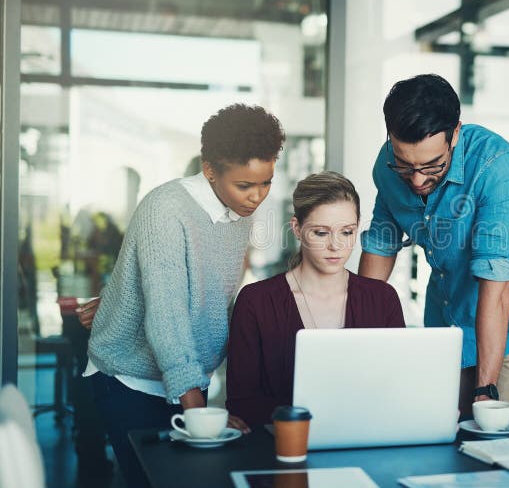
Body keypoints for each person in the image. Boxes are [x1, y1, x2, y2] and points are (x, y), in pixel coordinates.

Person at [83, 104, 285, 487]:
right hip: (131, 380)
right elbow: (167, 316)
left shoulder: (238, 212)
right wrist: (201, 418)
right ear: (209, 169)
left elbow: (211, 295)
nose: (257, 197)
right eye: (245, 185)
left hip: (190, 378)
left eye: (266, 182)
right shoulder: (165, 209)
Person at [358, 74, 509, 425]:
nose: (415, 180)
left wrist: (485, 391)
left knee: (491, 440)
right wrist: (360, 343)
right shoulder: (387, 166)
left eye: (432, 166)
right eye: (405, 165)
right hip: (443, 327)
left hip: (506, 333)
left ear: (455, 134)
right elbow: (381, 247)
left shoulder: (497, 167)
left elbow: (496, 282)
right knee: (442, 439)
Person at [226, 171, 405, 427]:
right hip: (281, 450)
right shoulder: (256, 302)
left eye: (346, 232)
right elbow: (242, 403)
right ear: (297, 229)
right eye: (321, 233)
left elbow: (397, 387)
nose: (336, 246)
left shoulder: (382, 299)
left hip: (366, 443)